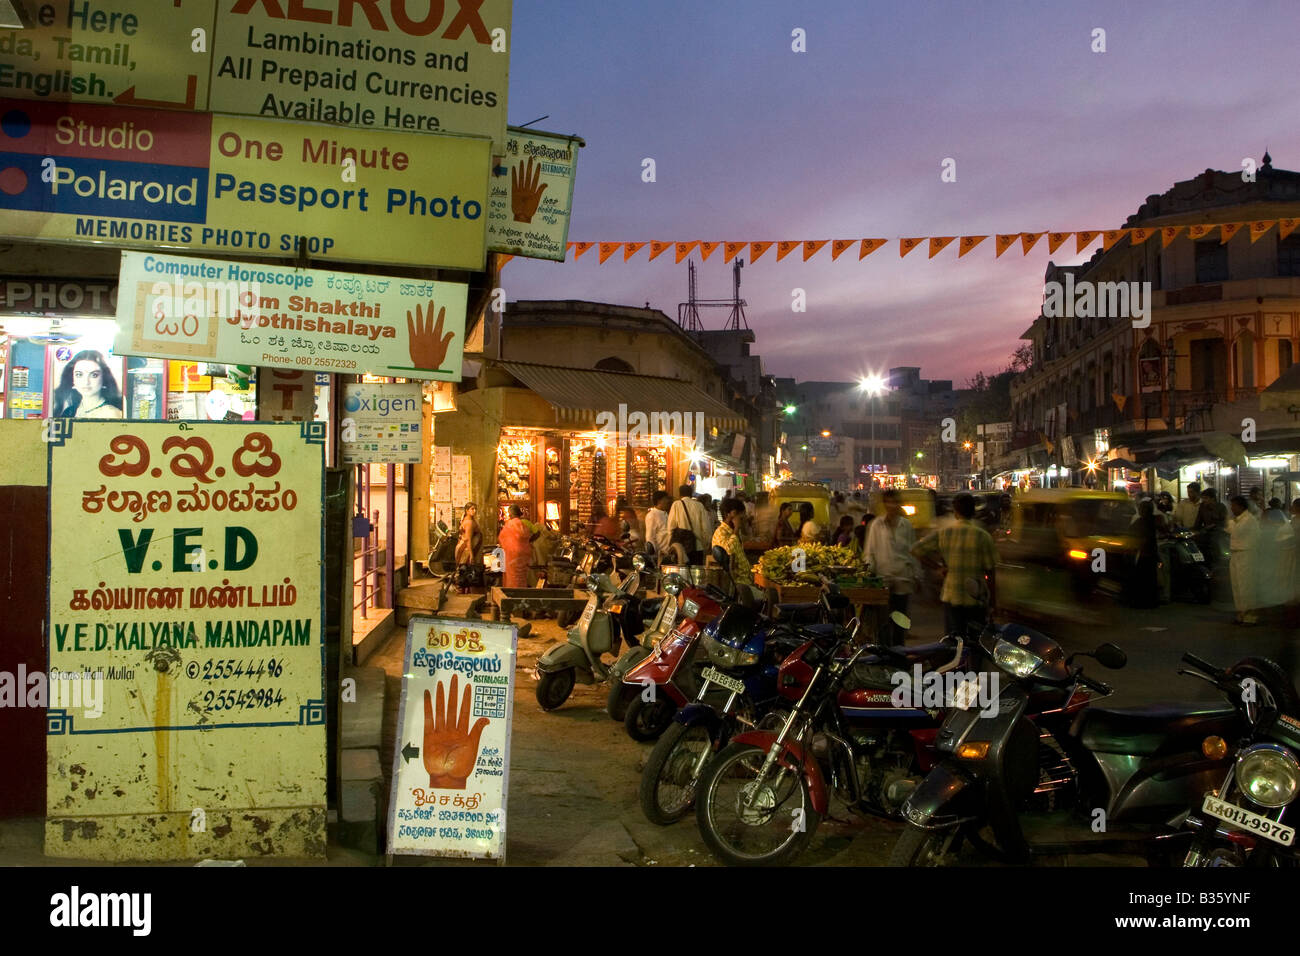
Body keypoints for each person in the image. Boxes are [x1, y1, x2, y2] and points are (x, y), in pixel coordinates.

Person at [912, 492, 997, 638]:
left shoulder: (945, 532)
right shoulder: (983, 535)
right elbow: (991, 569)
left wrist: (938, 567)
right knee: (975, 641)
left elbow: (916, 550)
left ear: (955, 512)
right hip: (976, 597)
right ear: (973, 511)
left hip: (952, 595)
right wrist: (993, 601)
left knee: (954, 641)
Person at [865, 488, 918, 643]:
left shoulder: (906, 526)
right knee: (883, 624)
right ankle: (884, 658)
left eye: (894, 502)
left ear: (898, 504)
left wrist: (916, 575)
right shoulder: (876, 525)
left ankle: (898, 656)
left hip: (903, 580)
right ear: (884, 504)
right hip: (883, 580)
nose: (891, 505)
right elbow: (870, 553)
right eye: (888, 502)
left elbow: (912, 552)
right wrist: (869, 576)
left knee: (900, 623)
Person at [54, 350, 124, 419]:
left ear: (104, 379)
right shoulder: (69, 411)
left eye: (94, 375)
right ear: (72, 379)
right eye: (79, 374)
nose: (86, 382)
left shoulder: (112, 414)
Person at [1228, 495, 1260, 625]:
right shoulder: (1238, 519)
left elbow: (1235, 532)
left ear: (1241, 506)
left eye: (1234, 506)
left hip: (1246, 554)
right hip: (1236, 553)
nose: (1232, 508)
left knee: (1246, 585)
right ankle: (1241, 613)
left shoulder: (1248, 520)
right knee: (1236, 585)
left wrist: (1229, 522)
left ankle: (1249, 616)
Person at [712, 497, 753, 586]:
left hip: (747, 579)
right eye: (741, 515)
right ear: (731, 514)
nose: (744, 517)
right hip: (737, 582)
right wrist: (737, 528)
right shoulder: (720, 532)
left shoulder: (732, 531)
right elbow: (729, 551)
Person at [1129, 499, 1160, 608]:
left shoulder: (1141, 521)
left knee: (1141, 577)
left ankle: (1141, 601)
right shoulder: (1155, 520)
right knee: (1151, 577)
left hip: (1143, 553)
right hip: (1152, 552)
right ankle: (1151, 601)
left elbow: (1131, 532)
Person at [667, 484, 709, 563]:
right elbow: (706, 527)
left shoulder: (676, 504)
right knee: (696, 571)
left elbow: (671, 527)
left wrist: (671, 544)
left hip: (681, 548)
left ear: (680, 494)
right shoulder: (699, 505)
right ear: (691, 493)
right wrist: (706, 543)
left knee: (682, 570)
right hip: (697, 546)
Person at [498, 506, 534, 589]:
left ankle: (512, 592)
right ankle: (521, 592)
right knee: (522, 576)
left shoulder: (509, 524)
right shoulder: (523, 524)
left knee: (512, 576)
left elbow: (502, 537)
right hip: (524, 554)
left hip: (512, 554)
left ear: (511, 514)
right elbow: (528, 536)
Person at [454, 502, 482, 569]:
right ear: (467, 510)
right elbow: (468, 539)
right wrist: (471, 555)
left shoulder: (465, 519)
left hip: (464, 547)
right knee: (467, 572)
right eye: (472, 509)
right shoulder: (469, 522)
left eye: (475, 509)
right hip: (466, 549)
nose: (474, 511)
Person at [644, 490, 671, 558]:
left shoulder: (666, 514)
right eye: (665, 499)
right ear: (659, 501)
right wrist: (654, 554)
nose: (668, 502)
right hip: (660, 554)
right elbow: (650, 537)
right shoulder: (652, 515)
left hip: (669, 553)